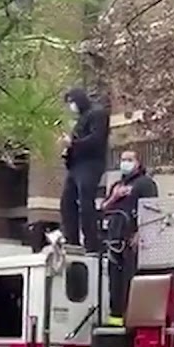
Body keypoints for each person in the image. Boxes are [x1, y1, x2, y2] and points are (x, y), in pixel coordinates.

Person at [101, 150, 158, 326]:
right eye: (123, 159)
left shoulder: (146, 183)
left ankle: (131, 317)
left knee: (130, 279)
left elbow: (152, 209)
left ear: (138, 162)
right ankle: (115, 317)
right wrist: (115, 197)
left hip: (132, 238)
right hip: (114, 238)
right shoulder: (117, 185)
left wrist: (141, 232)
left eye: (129, 159)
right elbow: (103, 208)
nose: (125, 163)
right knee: (114, 281)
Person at [59, 87, 110, 252]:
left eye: (72, 102)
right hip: (76, 165)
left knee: (85, 201)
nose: (71, 106)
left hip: (90, 164)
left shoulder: (98, 114)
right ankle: (72, 239)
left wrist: (73, 144)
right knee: (67, 202)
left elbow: (97, 139)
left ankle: (91, 242)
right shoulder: (81, 119)